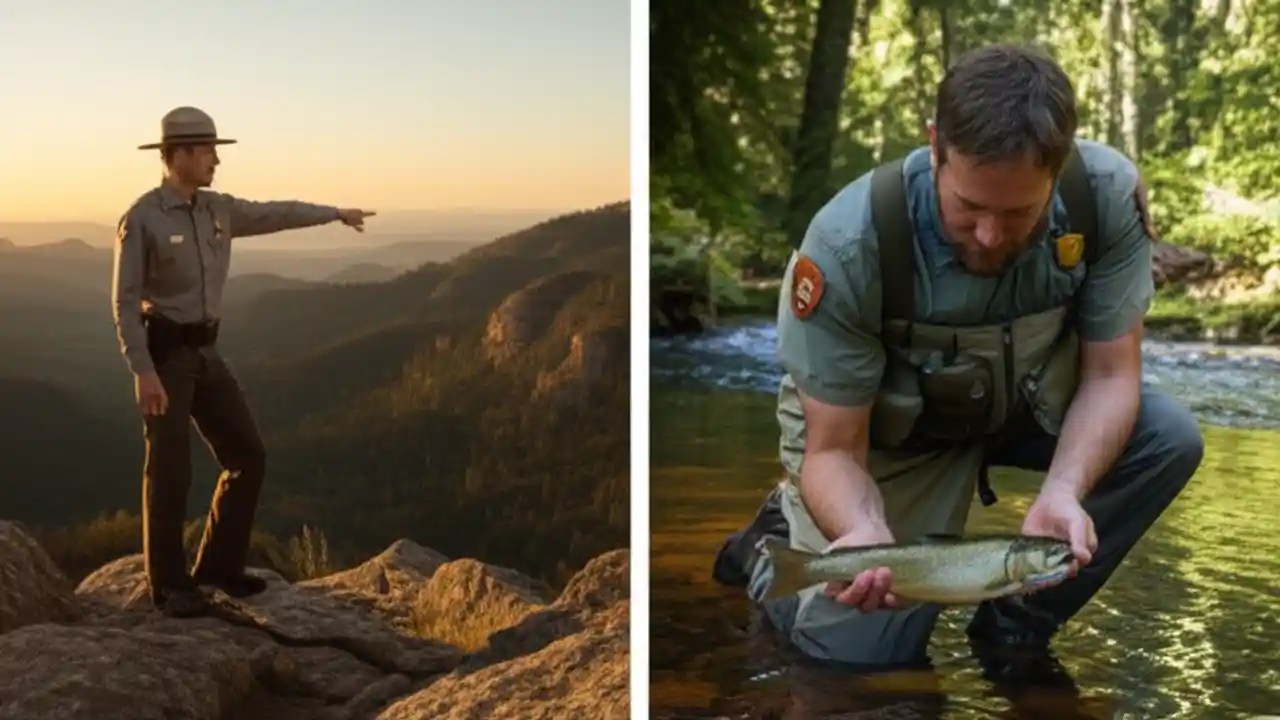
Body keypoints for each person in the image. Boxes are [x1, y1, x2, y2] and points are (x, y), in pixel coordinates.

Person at [712, 44, 1204, 668]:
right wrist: (859, 534)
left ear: (1060, 167)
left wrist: (1064, 488)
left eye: (1019, 212)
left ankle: (1013, 624)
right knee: (851, 658)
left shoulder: (1104, 200)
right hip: (890, 440)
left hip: (1026, 404)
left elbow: (1111, 375)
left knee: (1169, 437)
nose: (991, 236)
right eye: (968, 208)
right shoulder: (846, 244)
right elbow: (834, 447)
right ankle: (777, 541)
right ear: (934, 146)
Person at [111, 106, 376, 618]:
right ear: (179, 155)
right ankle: (168, 585)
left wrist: (334, 213)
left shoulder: (218, 209)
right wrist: (141, 370)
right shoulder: (142, 217)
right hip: (164, 354)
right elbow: (123, 301)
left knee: (247, 455)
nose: (216, 161)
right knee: (169, 470)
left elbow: (276, 213)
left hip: (206, 351)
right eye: (208, 151)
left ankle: (219, 567)